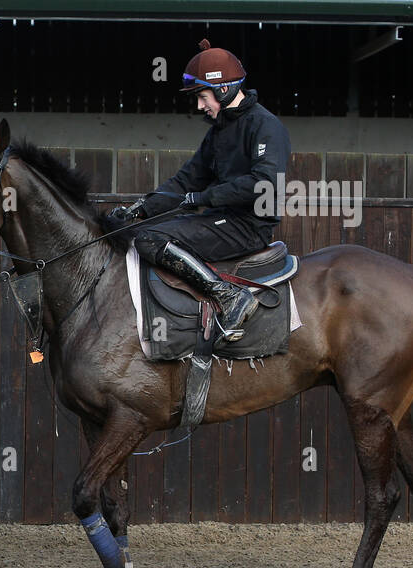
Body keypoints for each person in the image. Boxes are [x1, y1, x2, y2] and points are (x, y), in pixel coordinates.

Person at [110, 39, 292, 342]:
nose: (199, 106)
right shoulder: (218, 132)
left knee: (152, 239)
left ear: (224, 89)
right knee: (143, 229)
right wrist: (140, 209)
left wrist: (206, 197)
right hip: (220, 219)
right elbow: (186, 180)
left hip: (248, 227)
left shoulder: (266, 127)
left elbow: (265, 183)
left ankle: (230, 297)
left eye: (202, 97)